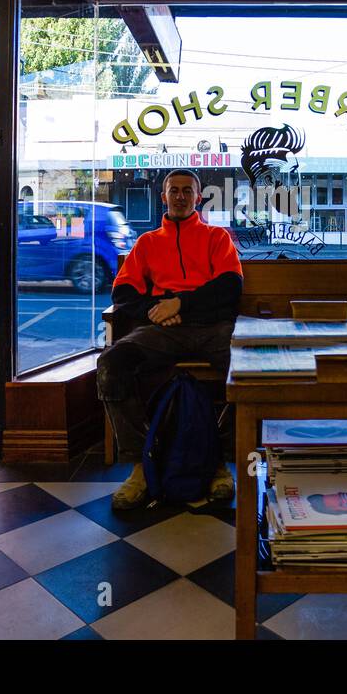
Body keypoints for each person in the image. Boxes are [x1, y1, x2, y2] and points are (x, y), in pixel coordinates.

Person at [97, 169, 244, 509]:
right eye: (173, 191)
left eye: (187, 191)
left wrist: (181, 304)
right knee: (111, 365)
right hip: (162, 330)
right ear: (163, 197)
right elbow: (122, 291)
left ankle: (220, 463)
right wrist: (158, 309)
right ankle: (140, 466)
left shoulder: (216, 237)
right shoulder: (147, 242)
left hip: (213, 329)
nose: (180, 196)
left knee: (248, 371)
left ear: (198, 198)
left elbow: (230, 287)